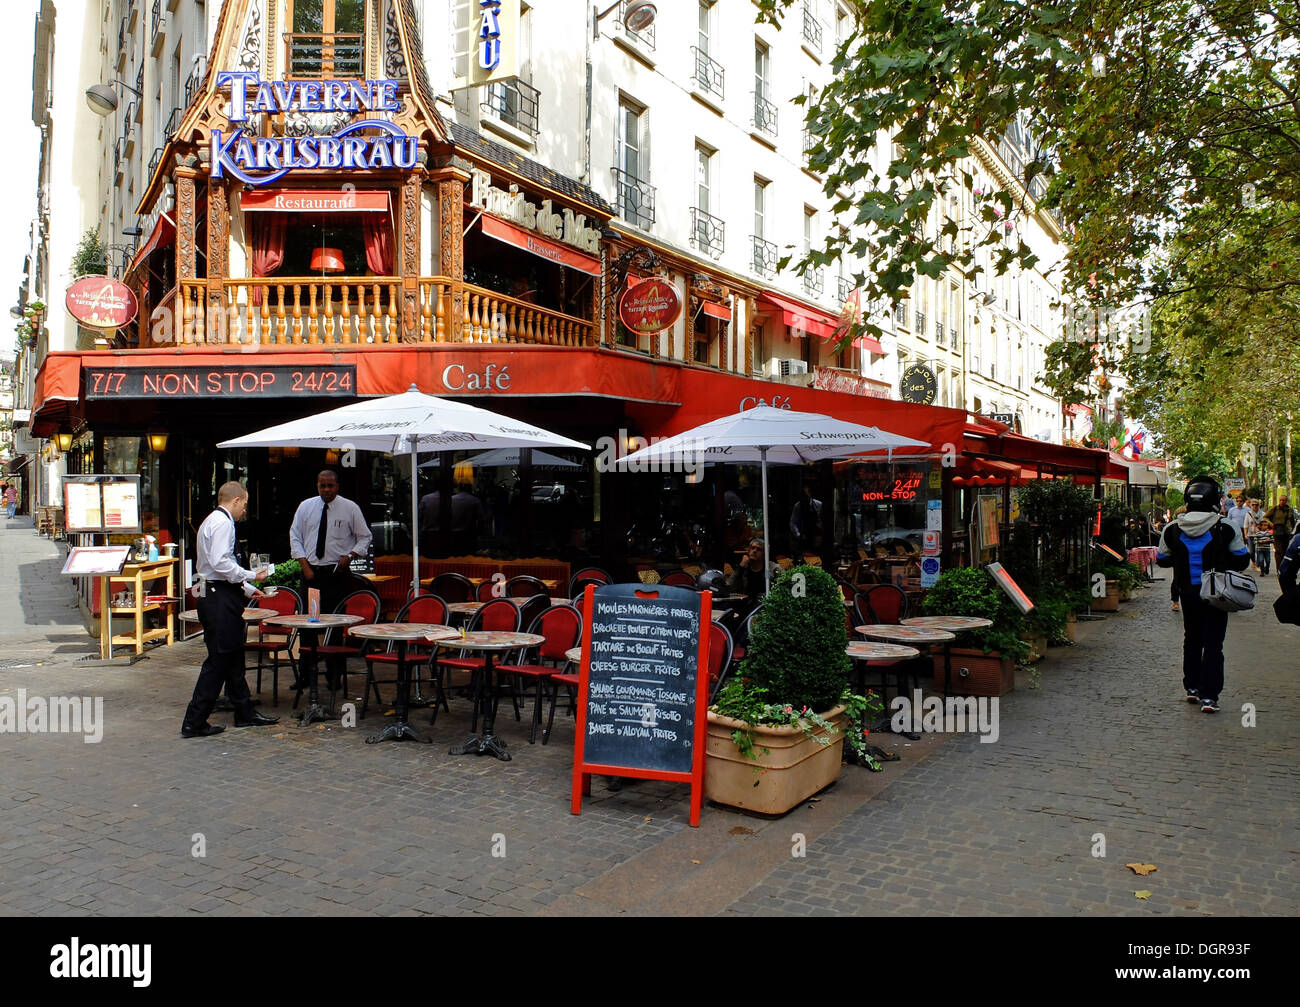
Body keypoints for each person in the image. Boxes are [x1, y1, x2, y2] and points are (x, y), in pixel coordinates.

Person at [180, 482, 278, 738]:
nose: (244, 511)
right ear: (235, 501)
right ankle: (194, 721)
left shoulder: (210, 521)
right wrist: (251, 576)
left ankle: (244, 712)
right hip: (218, 597)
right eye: (244, 505)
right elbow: (221, 561)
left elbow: (218, 567)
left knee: (233, 657)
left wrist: (246, 588)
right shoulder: (224, 523)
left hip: (216, 593)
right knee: (219, 660)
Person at [1156, 476, 1251, 713]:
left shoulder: (1172, 528)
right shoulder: (1226, 527)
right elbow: (1241, 560)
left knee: (1192, 639)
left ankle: (1192, 687)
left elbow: (1162, 560)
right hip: (1217, 594)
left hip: (1187, 593)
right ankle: (1210, 697)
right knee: (1213, 644)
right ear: (1213, 500)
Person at [289, 469, 373, 689]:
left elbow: (365, 536)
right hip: (311, 573)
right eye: (322, 486)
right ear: (317, 486)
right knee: (309, 624)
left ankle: (334, 676)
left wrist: (351, 555)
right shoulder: (306, 507)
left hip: (337, 574)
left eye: (330, 486)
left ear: (337, 486)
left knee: (335, 626)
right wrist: (304, 565)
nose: (326, 490)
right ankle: (306, 675)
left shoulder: (350, 508)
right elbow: (295, 536)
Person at [789, 483, 823, 556]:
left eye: (806, 496)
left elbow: (822, 521)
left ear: (810, 495)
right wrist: (798, 535)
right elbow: (793, 523)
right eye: (803, 497)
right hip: (803, 537)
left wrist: (820, 535)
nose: (804, 499)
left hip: (816, 536)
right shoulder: (798, 506)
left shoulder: (818, 505)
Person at [1265, 494, 1295, 571]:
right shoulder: (1274, 509)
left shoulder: (1290, 510)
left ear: (1286, 501)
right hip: (1277, 531)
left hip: (1286, 532)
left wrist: (1292, 531)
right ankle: (1279, 568)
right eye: (1280, 500)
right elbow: (1265, 517)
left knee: (1285, 551)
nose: (1282, 502)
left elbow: (1292, 521)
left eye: (1283, 500)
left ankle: (1283, 567)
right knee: (1278, 551)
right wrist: (1270, 523)